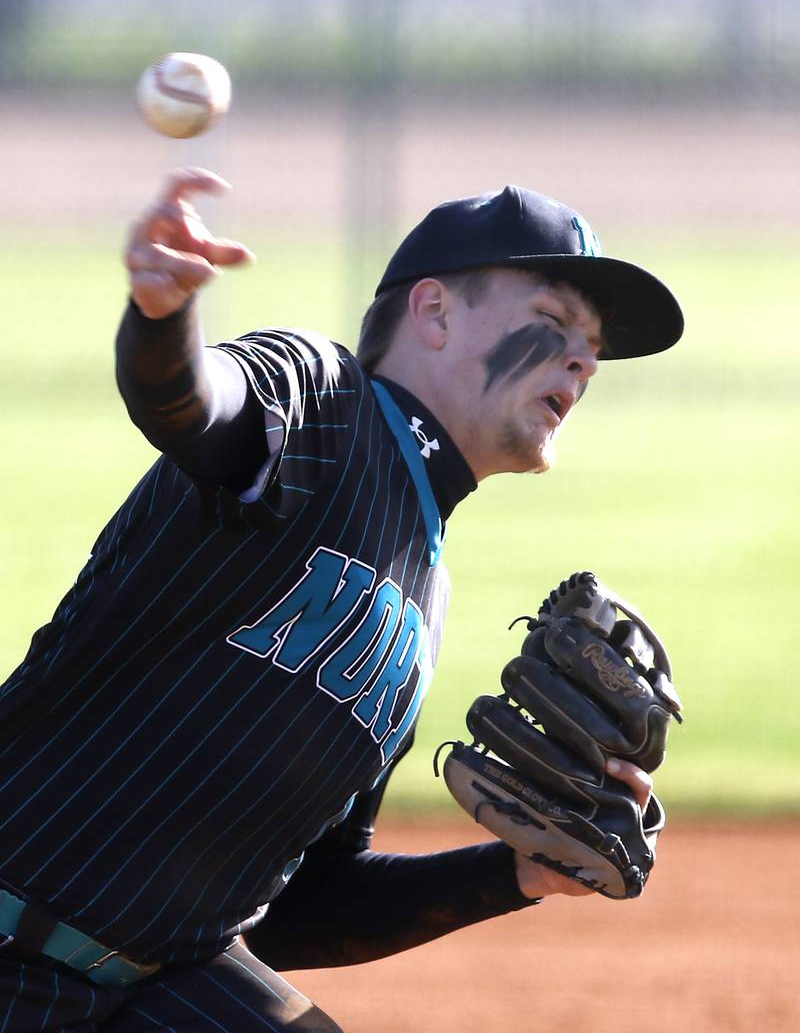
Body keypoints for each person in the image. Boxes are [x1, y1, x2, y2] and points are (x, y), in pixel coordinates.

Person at [0, 169, 683, 1030]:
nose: (583, 359)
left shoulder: (422, 597)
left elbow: (296, 908)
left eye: (592, 345)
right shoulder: (321, 400)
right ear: (432, 311)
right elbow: (188, 405)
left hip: (154, 980)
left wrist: (517, 872)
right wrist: (163, 319)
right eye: (552, 322)